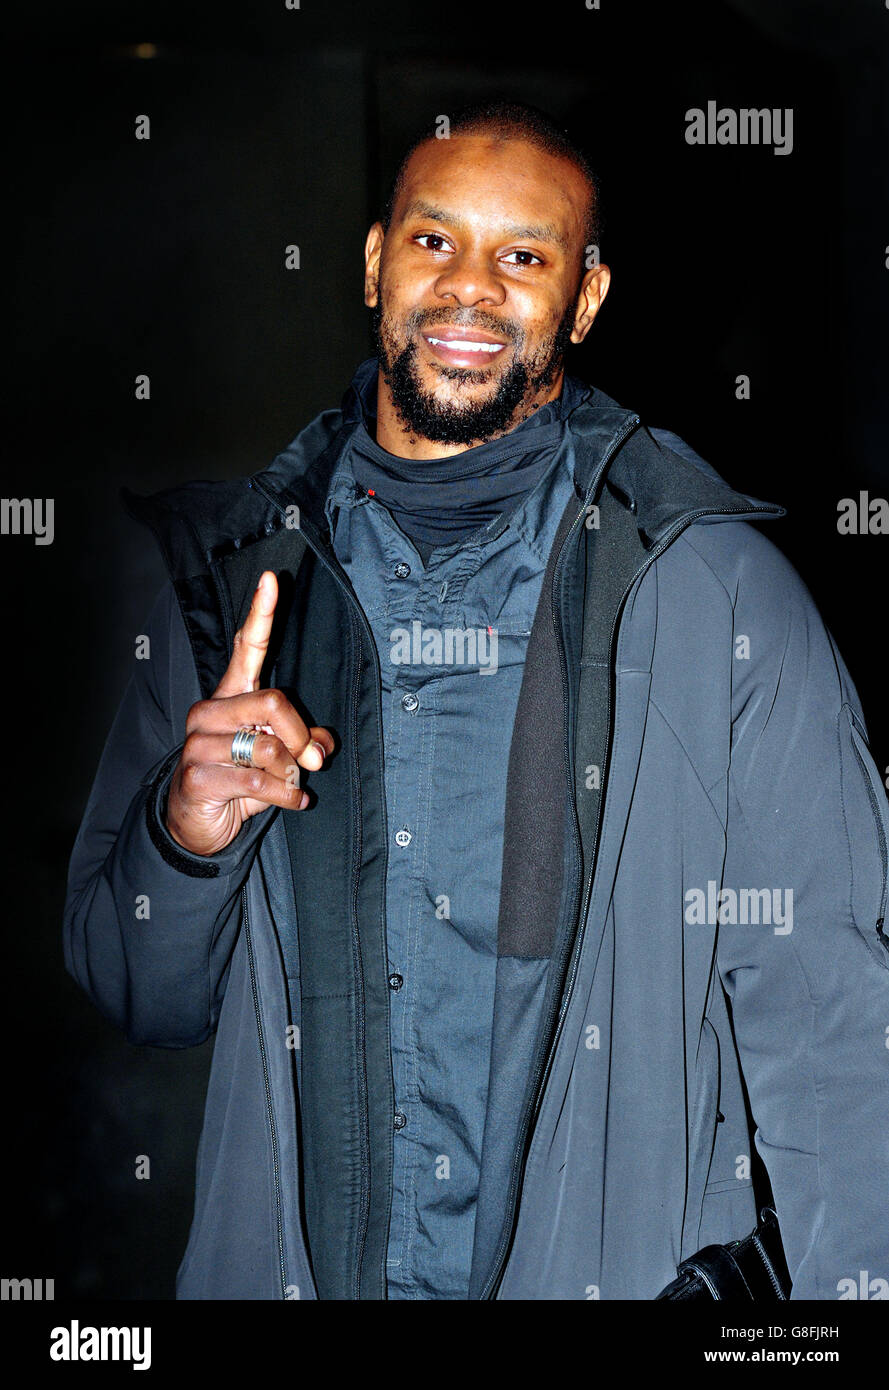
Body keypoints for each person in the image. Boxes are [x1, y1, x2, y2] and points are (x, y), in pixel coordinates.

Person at [64, 100, 889, 1301]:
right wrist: (185, 840)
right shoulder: (232, 588)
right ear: (371, 262)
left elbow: (831, 1034)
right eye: (433, 241)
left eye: (522, 255)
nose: (468, 289)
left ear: (586, 299)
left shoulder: (718, 598)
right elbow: (133, 987)